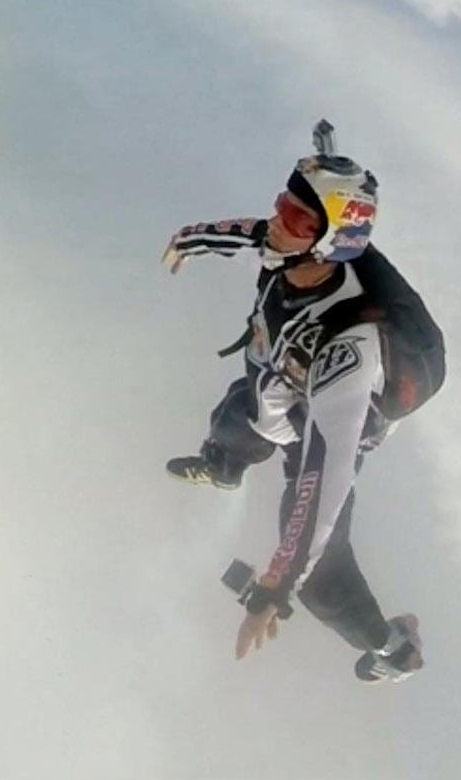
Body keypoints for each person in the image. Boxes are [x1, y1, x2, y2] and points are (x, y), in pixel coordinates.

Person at [160, 129, 441, 684]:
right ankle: (224, 465)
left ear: (329, 241)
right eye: (284, 204)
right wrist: (191, 239)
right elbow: (250, 232)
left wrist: (276, 588)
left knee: (321, 578)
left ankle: (392, 651)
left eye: (298, 219)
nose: (279, 221)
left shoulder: (349, 345)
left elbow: (324, 477)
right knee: (243, 412)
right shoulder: (288, 250)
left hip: (329, 419)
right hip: (281, 389)